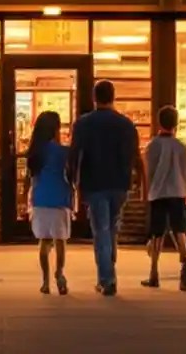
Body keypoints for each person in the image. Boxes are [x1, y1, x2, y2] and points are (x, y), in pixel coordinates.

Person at [67, 79, 143, 296]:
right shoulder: (126, 125)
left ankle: (107, 279)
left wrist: (72, 179)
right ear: (113, 97)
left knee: (101, 230)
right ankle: (109, 270)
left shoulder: (83, 124)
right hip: (120, 183)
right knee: (111, 228)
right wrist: (137, 181)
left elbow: (74, 154)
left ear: (94, 97)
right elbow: (134, 155)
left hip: (95, 183)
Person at [141, 105, 186, 291]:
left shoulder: (152, 146)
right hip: (178, 191)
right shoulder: (182, 147)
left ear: (159, 122)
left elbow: (149, 172)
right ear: (176, 123)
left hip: (158, 192)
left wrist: (147, 193)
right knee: (179, 229)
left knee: (157, 232)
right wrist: (185, 189)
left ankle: (154, 273)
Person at [25, 110, 72, 295]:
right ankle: (59, 273)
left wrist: (25, 198)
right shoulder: (62, 152)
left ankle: (45, 282)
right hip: (60, 198)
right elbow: (70, 174)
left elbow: (30, 178)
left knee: (44, 241)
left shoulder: (35, 152)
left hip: (41, 199)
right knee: (60, 241)